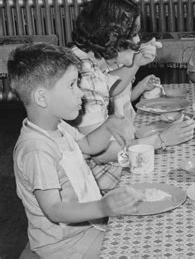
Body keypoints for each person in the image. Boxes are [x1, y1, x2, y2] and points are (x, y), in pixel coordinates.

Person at [8, 43, 144, 258]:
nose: (80, 92)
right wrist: (102, 207)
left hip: (88, 228)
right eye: (72, 85)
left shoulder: (59, 126)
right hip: (65, 245)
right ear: (42, 98)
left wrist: (108, 124)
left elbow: (88, 146)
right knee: (135, 249)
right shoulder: (36, 149)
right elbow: (53, 209)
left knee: (141, 231)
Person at [70, 0, 195, 189]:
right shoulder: (84, 72)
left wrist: (135, 62)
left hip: (103, 166)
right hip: (93, 180)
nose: (139, 41)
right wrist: (159, 140)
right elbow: (102, 153)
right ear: (112, 36)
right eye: (134, 33)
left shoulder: (89, 59)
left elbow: (111, 89)